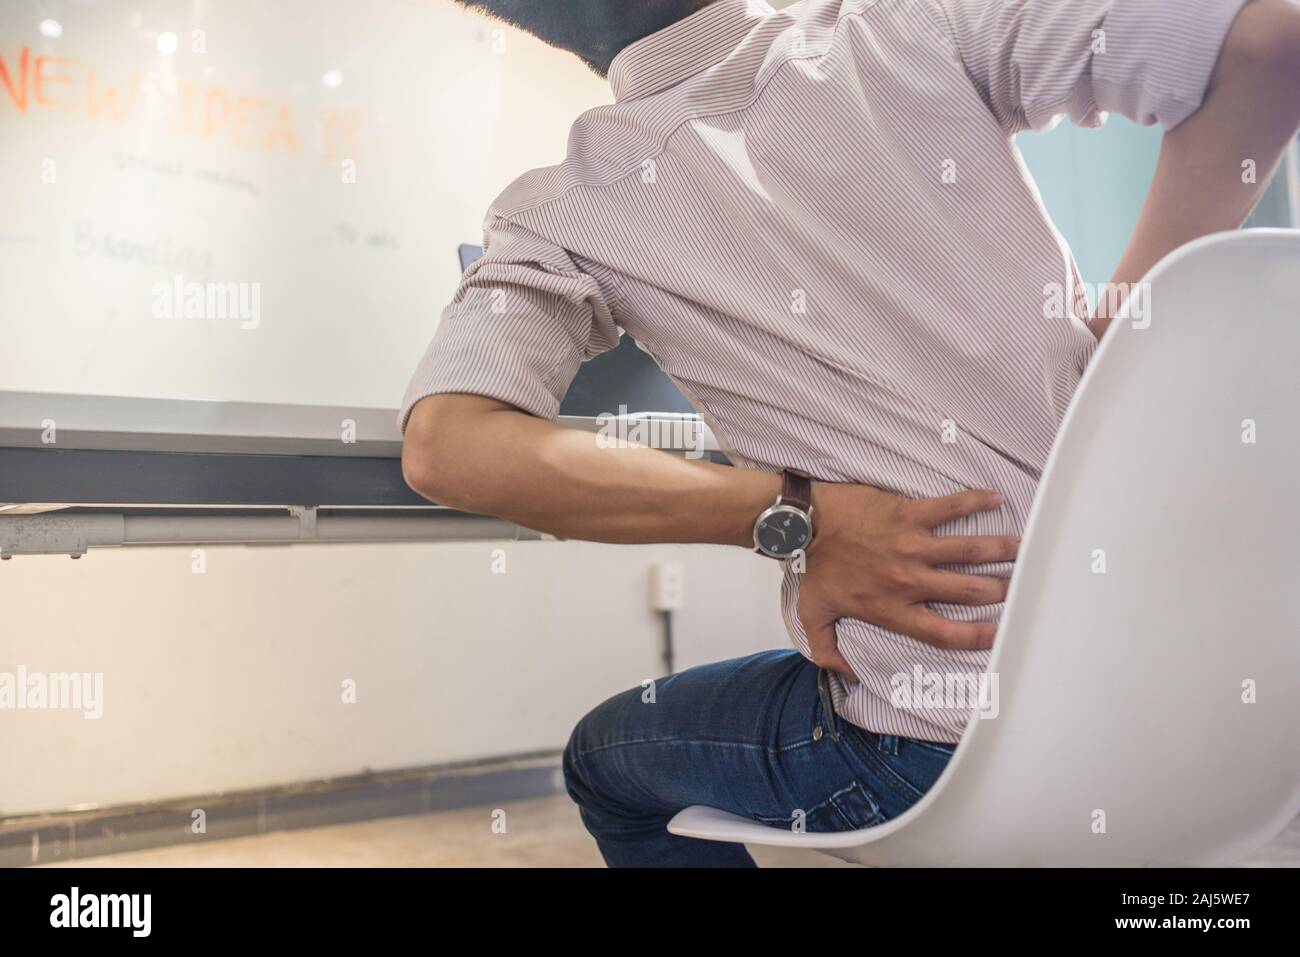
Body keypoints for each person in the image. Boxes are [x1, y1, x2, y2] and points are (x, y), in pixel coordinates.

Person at [400, 0, 1300, 866]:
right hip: (1212, 711)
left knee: (606, 760)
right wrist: (1120, 343)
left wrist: (793, 514)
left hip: (947, 746)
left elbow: (448, 445)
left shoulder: (559, 212)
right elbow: (1268, 44)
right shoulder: (914, 23)